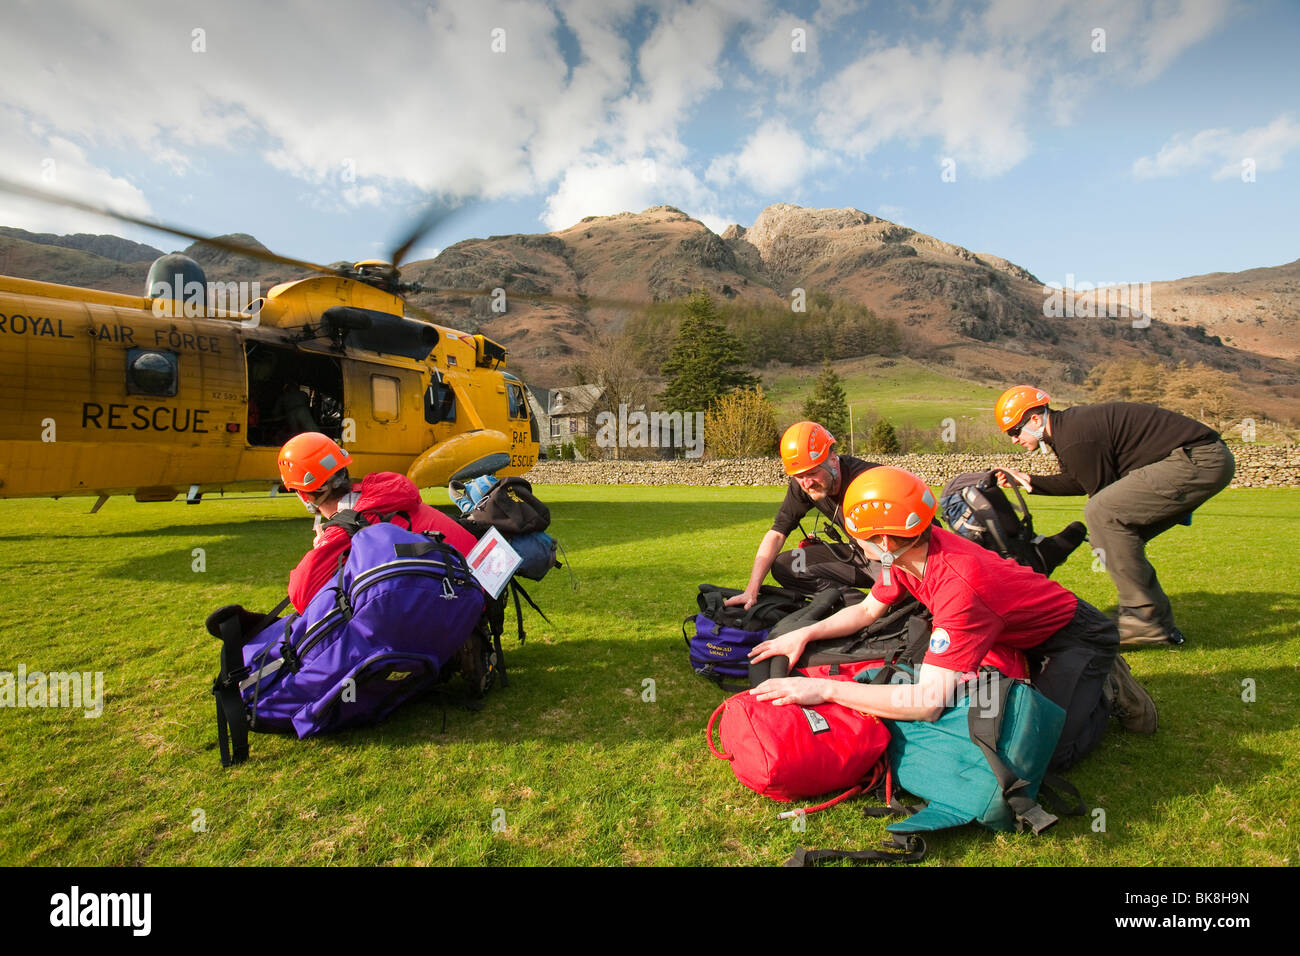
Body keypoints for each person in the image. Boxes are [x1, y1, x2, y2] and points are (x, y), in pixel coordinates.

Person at [748, 466, 1157, 771]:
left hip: (1074, 636)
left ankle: (1107, 688)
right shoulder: (908, 553)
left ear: (885, 540)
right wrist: (801, 635)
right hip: (1015, 630)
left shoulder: (959, 587)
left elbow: (927, 703)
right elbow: (868, 609)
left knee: (1043, 756)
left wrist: (825, 691)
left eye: (858, 533)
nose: (854, 540)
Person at [993, 386, 1235, 646]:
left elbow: (1099, 493)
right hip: (1200, 458)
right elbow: (1079, 480)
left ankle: (1143, 619)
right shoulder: (1069, 431)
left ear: (1036, 419)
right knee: (1117, 535)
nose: (1014, 440)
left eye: (1015, 431)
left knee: (1103, 515)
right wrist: (1029, 481)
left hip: (1199, 458)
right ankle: (1154, 623)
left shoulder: (1074, 437)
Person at [277, 432, 478, 613]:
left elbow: (302, 597)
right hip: (481, 584)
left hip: (464, 602)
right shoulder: (384, 493)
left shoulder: (349, 526)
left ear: (308, 494)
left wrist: (322, 545)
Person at [725, 421, 879, 610]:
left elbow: (906, 547)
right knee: (787, 565)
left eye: (812, 473)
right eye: (799, 476)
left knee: (906, 593)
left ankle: (882, 607)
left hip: (894, 559)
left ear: (832, 458)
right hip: (859, 555)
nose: (806, 483)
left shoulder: (868, 481)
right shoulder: (802, 484)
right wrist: (751, 590)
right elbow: (777, 533)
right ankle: (858, 607)